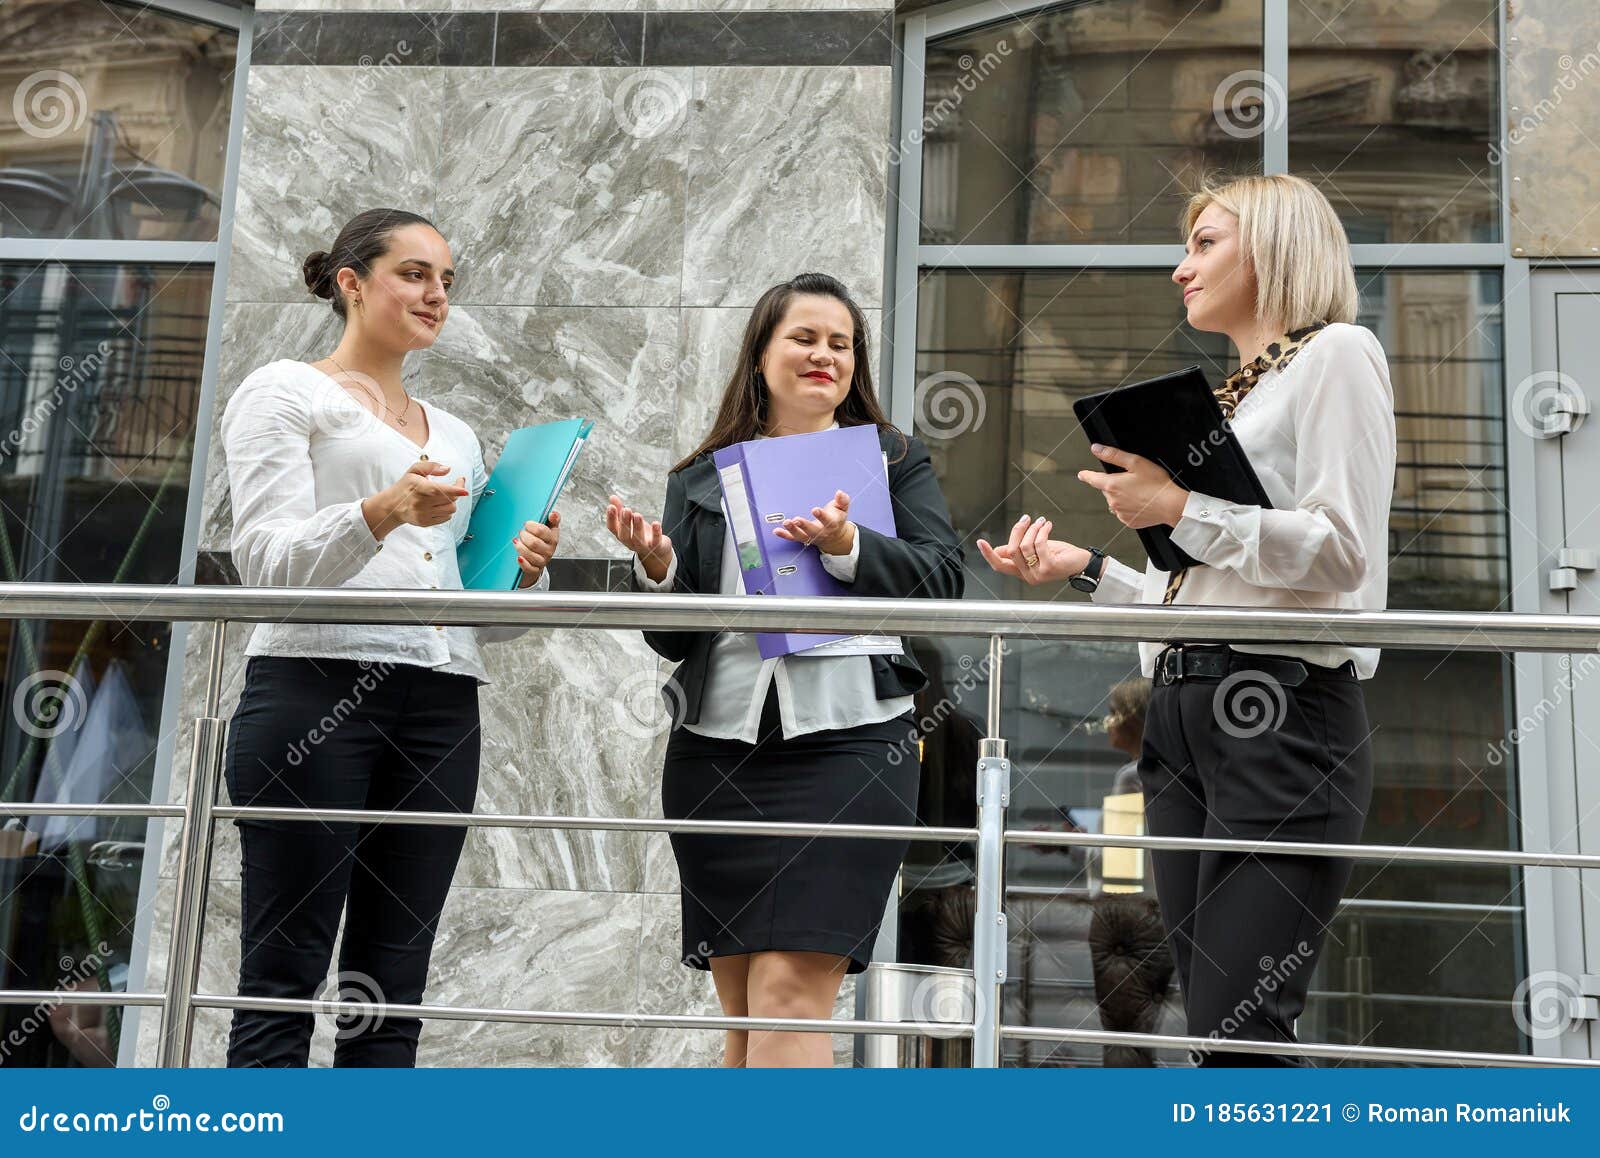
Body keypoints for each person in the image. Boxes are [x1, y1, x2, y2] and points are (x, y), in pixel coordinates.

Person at [979, 174, 1396, 1066]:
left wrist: (1177, 506)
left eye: (1205, 243)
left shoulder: (1339, 355)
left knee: (1243, 1027)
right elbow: (1205, 603)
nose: (1180, 269)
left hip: (1281, 712)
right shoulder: (1241, 392)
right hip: (1184, 713)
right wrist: (1088, 570)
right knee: (1211, 1025)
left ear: (1278, 247)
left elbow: (1341, 555)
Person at [220, 208, 561, 1067]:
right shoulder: (283, 390)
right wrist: (382, 510)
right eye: (414, 273)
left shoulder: (457, 435)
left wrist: (521, 570)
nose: (435, 294)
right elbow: (262, 562)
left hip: (443, 701)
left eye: (446, 280)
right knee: (284, 975)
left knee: (392, 991)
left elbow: (467, 600)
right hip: (313, 688)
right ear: (351, 282)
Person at [605, 272, 964, 1067]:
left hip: (851, 750)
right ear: (762, 354)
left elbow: (943, 580)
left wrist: (848, 548)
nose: (824, 356)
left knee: (791, 994)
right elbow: (672, 642)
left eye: (842, 343)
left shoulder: (893, 461)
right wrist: (660, 570)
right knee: (739, 1012)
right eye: (804, 338)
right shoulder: (700, 476)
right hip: (715, 755)